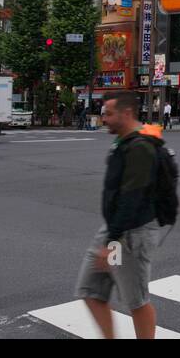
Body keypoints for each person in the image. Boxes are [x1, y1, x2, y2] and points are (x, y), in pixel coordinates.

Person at [75, 92, 161, 339]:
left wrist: (111, 243)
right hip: (114, 231)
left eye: (109, 114)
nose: (105, 119)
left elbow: (131, 199)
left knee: (136, 301)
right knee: (91, 290)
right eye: (104, 114)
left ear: (127, 113)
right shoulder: (124, 142)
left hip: (130, 235)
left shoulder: (141, 147)